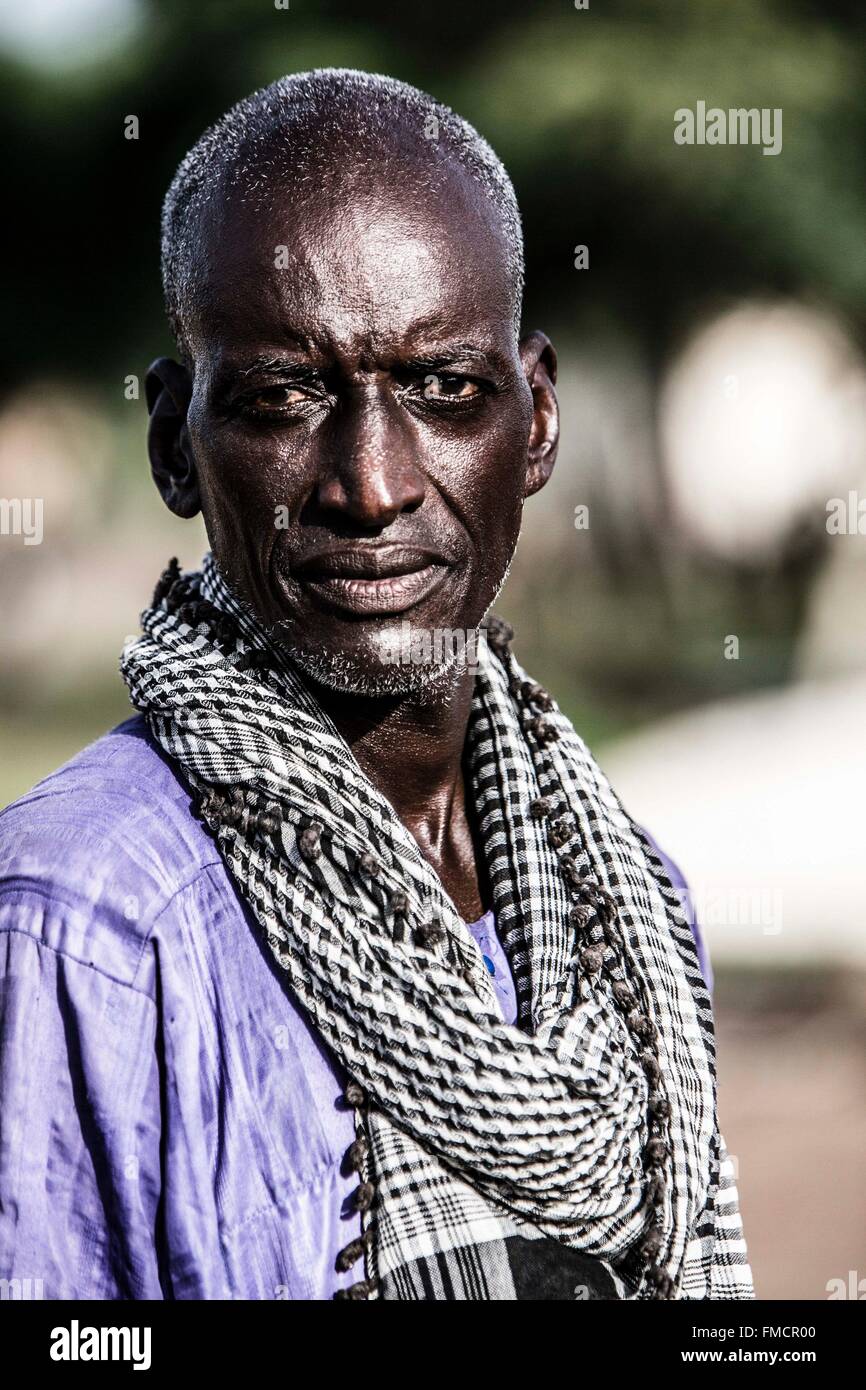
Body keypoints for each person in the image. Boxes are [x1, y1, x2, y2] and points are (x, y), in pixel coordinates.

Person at [0, 69, 752, 1301]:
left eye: (443, 391)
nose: (370, 483)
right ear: (172, 443)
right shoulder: (85, 928)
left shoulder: (625, 903)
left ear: (538, 422)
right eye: (284, 397)